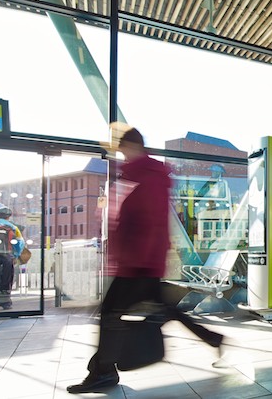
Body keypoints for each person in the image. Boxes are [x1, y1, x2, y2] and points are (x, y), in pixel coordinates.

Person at [68, 124, 223, 394]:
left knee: (108, 315)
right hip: (139, 262)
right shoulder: (139, 173)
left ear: (130, 145)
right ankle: (213, 338)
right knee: (163, 309)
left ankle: (102, 372)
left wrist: (134, 262)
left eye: (120, 148)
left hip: (138, 264)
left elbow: (150, 222)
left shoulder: (147, 175)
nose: (119, 153)